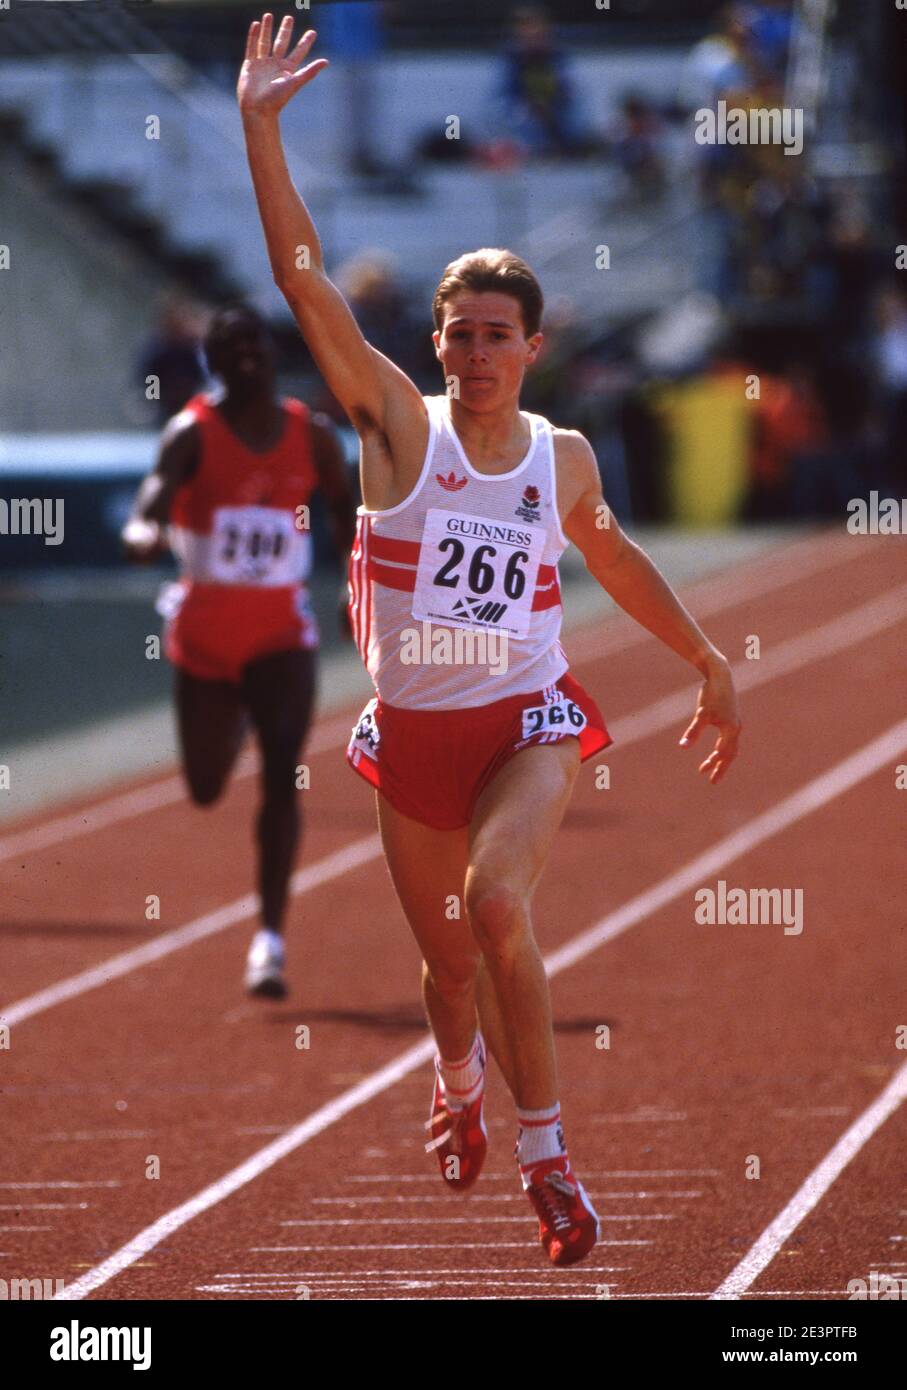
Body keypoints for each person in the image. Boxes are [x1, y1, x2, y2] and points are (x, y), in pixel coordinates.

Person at [238, 15, 741, 1268]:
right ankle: (455, 1077)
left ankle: (549, 1157)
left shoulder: (563, 456)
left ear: (532, 345)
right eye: (455, 335)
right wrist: (260, 128)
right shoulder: (400, 432)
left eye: (493, 336)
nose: (471, 355)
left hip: (527, 718)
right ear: (436, 346)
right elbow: (305, 280)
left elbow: (612, 555)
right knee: (447, 972)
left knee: (495, 902)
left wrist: (708, 660)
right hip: (413, 733)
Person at [122, 302, 355, 999]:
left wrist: (354, 584)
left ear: (273, 355)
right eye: (231, 349)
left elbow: (346, 512)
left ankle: (270, 941)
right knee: (204, 787)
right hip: (204, 635)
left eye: (256, 347)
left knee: (283, 772)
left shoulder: (310, 435)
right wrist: (142, 532)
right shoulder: (191, 432)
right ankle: (239, 717)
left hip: (280, 633)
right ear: (212, 362)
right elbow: (153, 498)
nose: (246, 359)